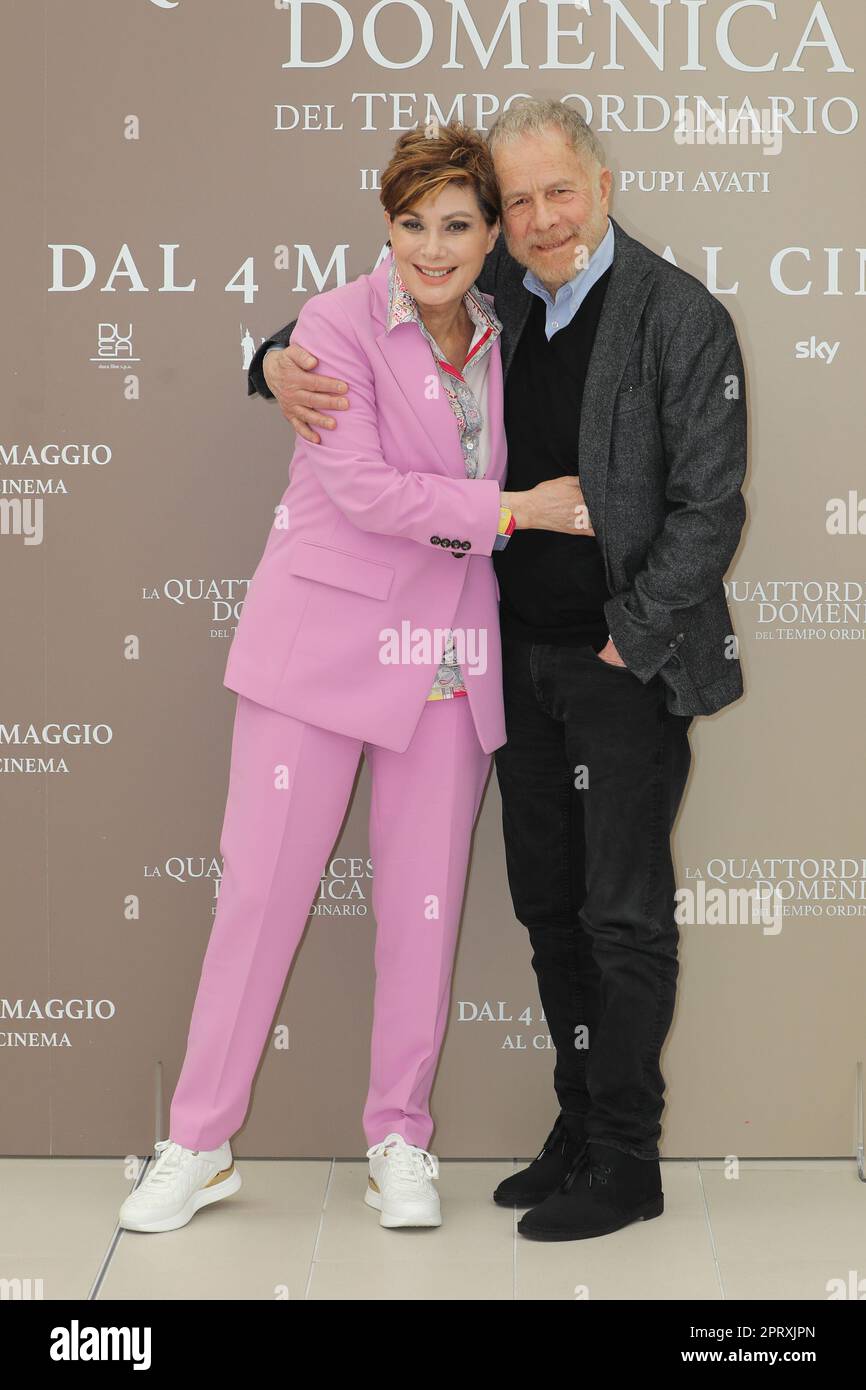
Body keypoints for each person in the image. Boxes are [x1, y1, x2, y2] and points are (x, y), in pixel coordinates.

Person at [253, 100, 748, 1242]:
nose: (535, 220)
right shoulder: (503, 303)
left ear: (603, 185)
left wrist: (631, 631)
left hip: (621, 662)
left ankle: (627, 1157)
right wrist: (269, 357)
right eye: (514, 203)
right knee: (550, 912)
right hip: (507, 659)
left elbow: (710, 502)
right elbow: (360, 324)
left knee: (621, 916)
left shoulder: (678, 315)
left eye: (554, 193)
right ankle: (576, 1126)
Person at [119, 121, 587, 1236]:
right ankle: (197, 1140)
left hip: (443, 663)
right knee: (259, 900)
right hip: (317, 657)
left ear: (492, 240)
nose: (432, 247)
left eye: (458, 225)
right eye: (411, 223)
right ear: (386, 225)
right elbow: (370, 491)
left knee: (420, 913)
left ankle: (398, 1138)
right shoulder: (331, 324)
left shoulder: (507, 325)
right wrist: (518, 510)